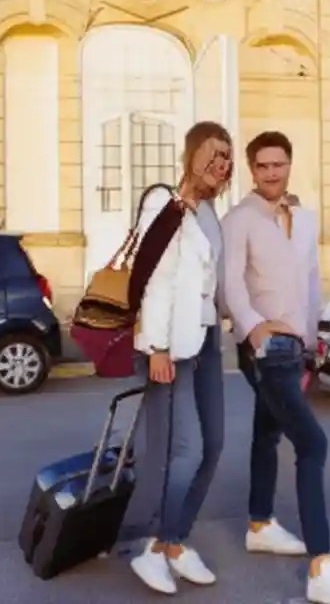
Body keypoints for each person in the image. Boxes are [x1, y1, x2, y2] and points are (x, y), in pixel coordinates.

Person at [221, 131, 330, 604]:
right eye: (262, 166)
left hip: (294, 344)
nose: (271, 173)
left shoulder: (305, 219)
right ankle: (321, 567)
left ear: (289, 164)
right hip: (263, 346)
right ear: (251, 169)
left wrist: (312, 337)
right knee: (313, 441)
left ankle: (260, 523)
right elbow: (229, 287)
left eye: (278, 164)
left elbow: (311, 281)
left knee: (268, 432)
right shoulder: (239, 219)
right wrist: (253, 329)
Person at [123, 121, 233, 595]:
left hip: (206, 340)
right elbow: (153, 281)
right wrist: (157, 347)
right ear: (191, 154)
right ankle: (153, 545)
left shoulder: (208, 212)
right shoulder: (163, 204)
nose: (221, 164)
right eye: (214, 153)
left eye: (227, 158)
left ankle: (175, 539)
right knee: (178, 450)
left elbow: (210, 279)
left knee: (213, 445)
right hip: (171, 345)